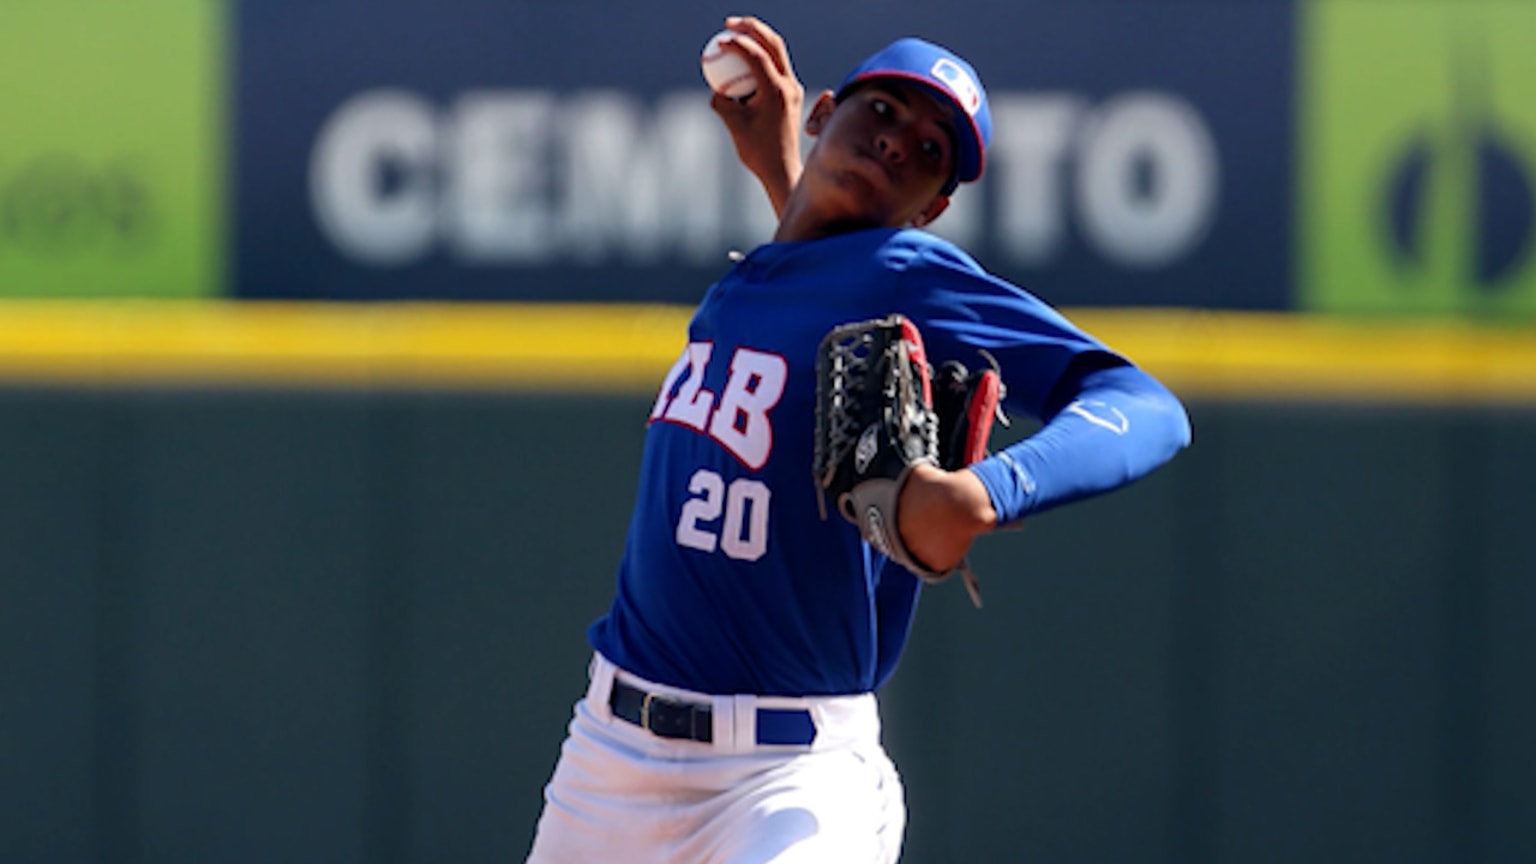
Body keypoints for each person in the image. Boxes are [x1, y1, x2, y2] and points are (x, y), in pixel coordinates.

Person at [524, 17, 1192, 863]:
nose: (897, 143)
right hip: (608, 758)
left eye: (928, 152)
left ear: (934, 209)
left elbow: (1146, 404)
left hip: (785, 778)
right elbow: (813, 274)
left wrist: (991, 490)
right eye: (882, 111)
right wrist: (782, 175)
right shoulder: (756, 279)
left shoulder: (909, 274)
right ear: (823, 111)